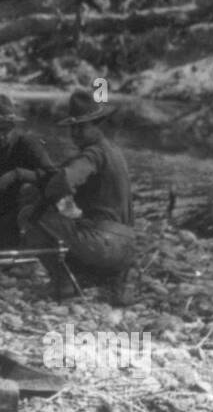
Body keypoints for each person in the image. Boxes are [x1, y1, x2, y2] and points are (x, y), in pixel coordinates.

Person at [19, 90, 136, 304]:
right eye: (73, 128)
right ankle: (113, 283)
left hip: (103, 245)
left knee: (29, 215)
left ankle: (64, 283)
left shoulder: (94, 153)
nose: (75, 133)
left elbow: (64, 180)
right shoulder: (114, 152)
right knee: (78, 229)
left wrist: (41, 197)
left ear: (97, 125)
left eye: (82, 127)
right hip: (127, 248)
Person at [0, 92, 55, 251]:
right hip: (0, 217)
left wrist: (19, 174)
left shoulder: (28, 145)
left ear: (13, 127)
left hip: (33, 214)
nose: (0, 136)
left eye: (5, 130)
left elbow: (54, 177)